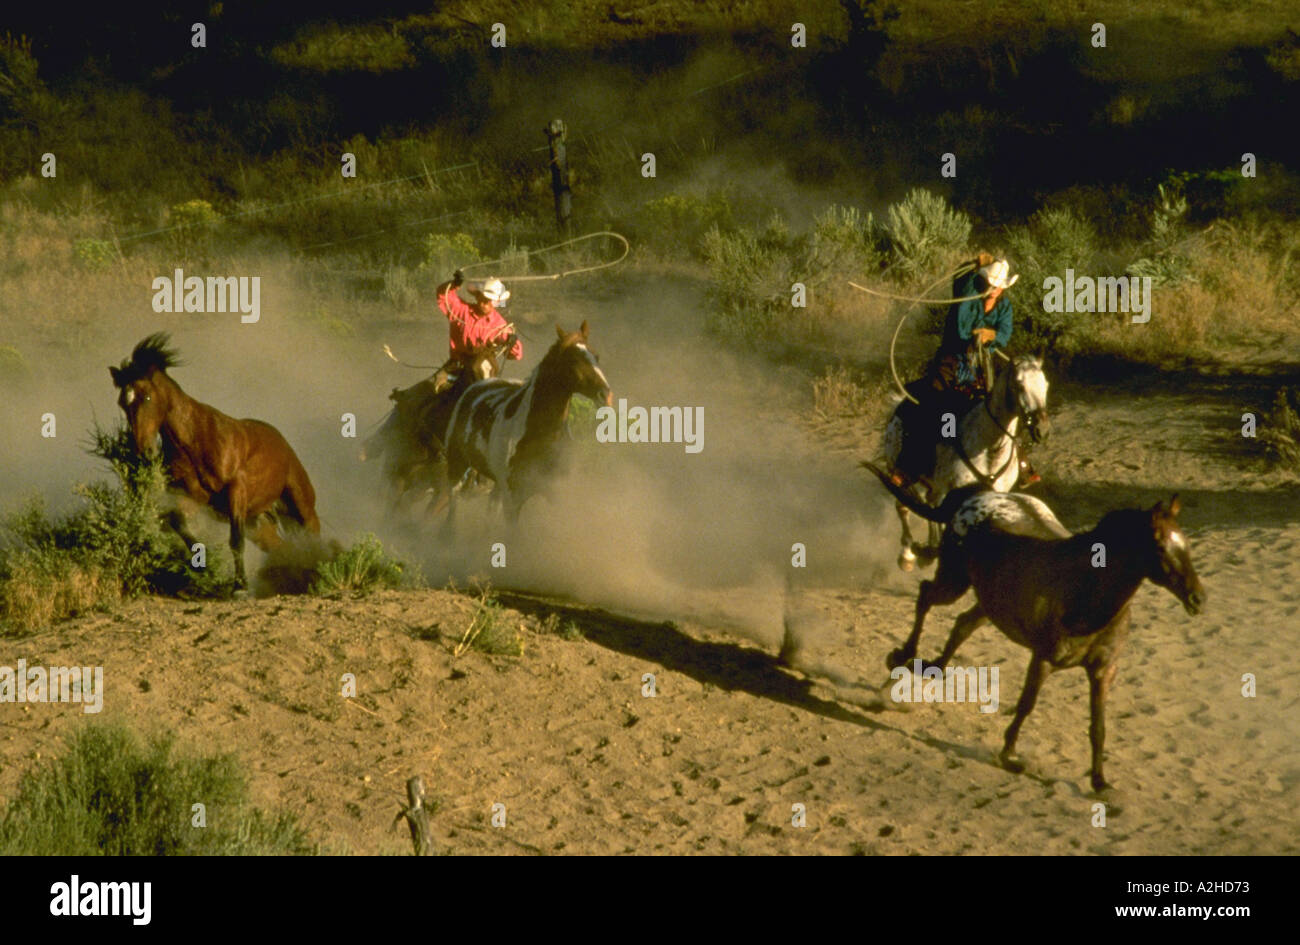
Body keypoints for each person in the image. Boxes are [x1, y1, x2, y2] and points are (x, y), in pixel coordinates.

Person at [894, 253, 1037, 486]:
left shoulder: (1005, 306)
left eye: (998, 286)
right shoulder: (967, 294)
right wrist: (972, 267)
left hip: (984, 364)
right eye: (991, 284)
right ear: (983, 281)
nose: (994, 290)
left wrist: (993, 336)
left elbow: (1005, 332)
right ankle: (919, 461)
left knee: (1006, 402)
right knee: (938, 403)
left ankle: (1020, 461)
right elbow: (961, 329)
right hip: (952, 360)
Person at [431, 270, 522, 392]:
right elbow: (443, 296)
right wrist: (454, 284)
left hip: (483, 372)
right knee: (432, 388)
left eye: (488, 300)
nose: (483, 304)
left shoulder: (499, 325)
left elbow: (517, 354)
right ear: (477, 296)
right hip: (456, 367)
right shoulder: (461, 311)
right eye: (481, 298)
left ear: (496, 302)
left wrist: (512, 342)